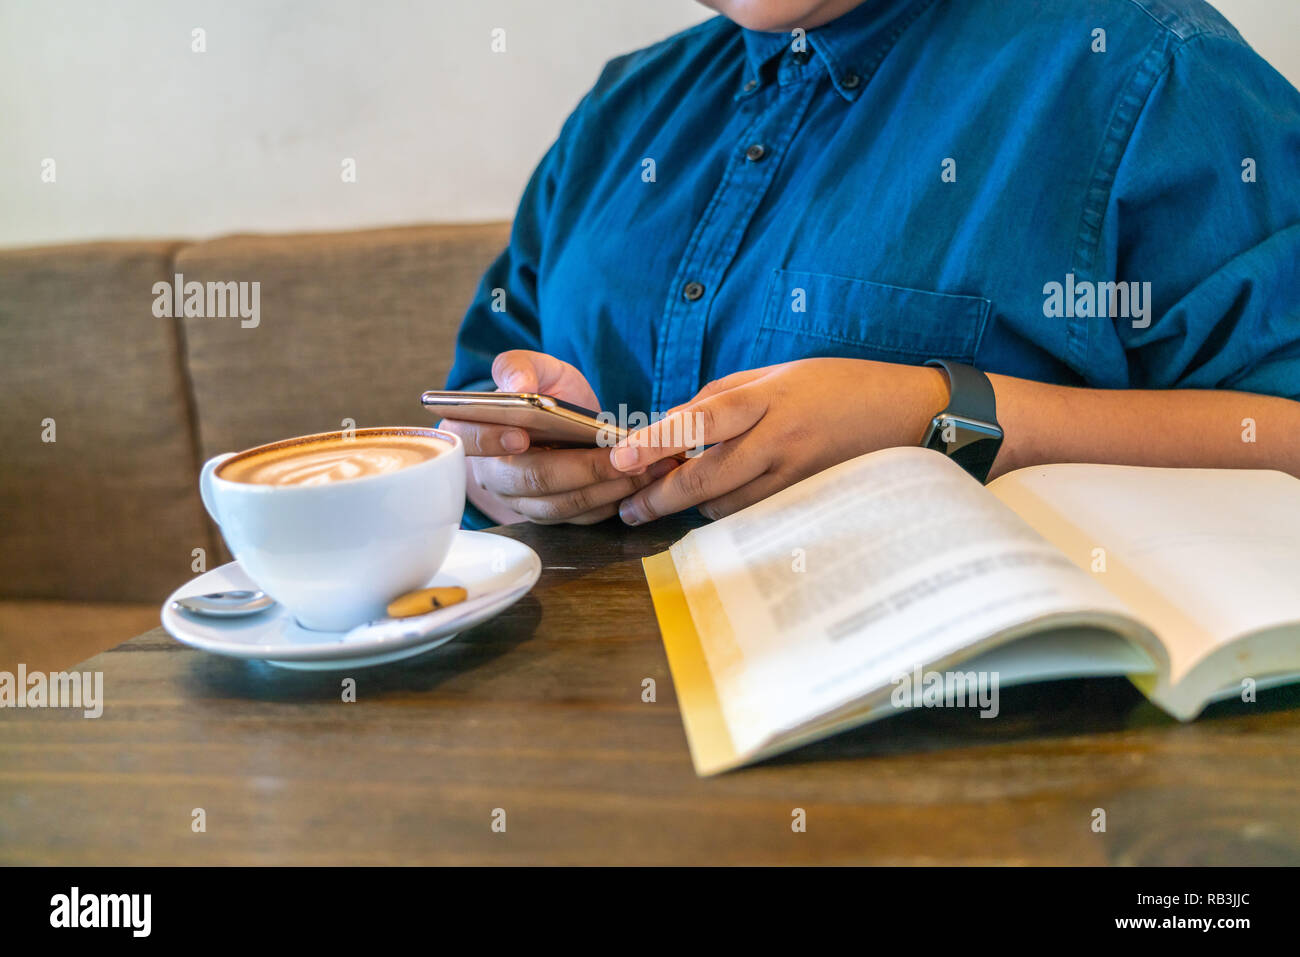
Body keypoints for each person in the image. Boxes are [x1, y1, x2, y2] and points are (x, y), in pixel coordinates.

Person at [441, 0, 1300, 528]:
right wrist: (499, 464)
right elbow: (476, 402)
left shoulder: (1142, 69)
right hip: (605, 741)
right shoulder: (619, 115)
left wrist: (938, 418)